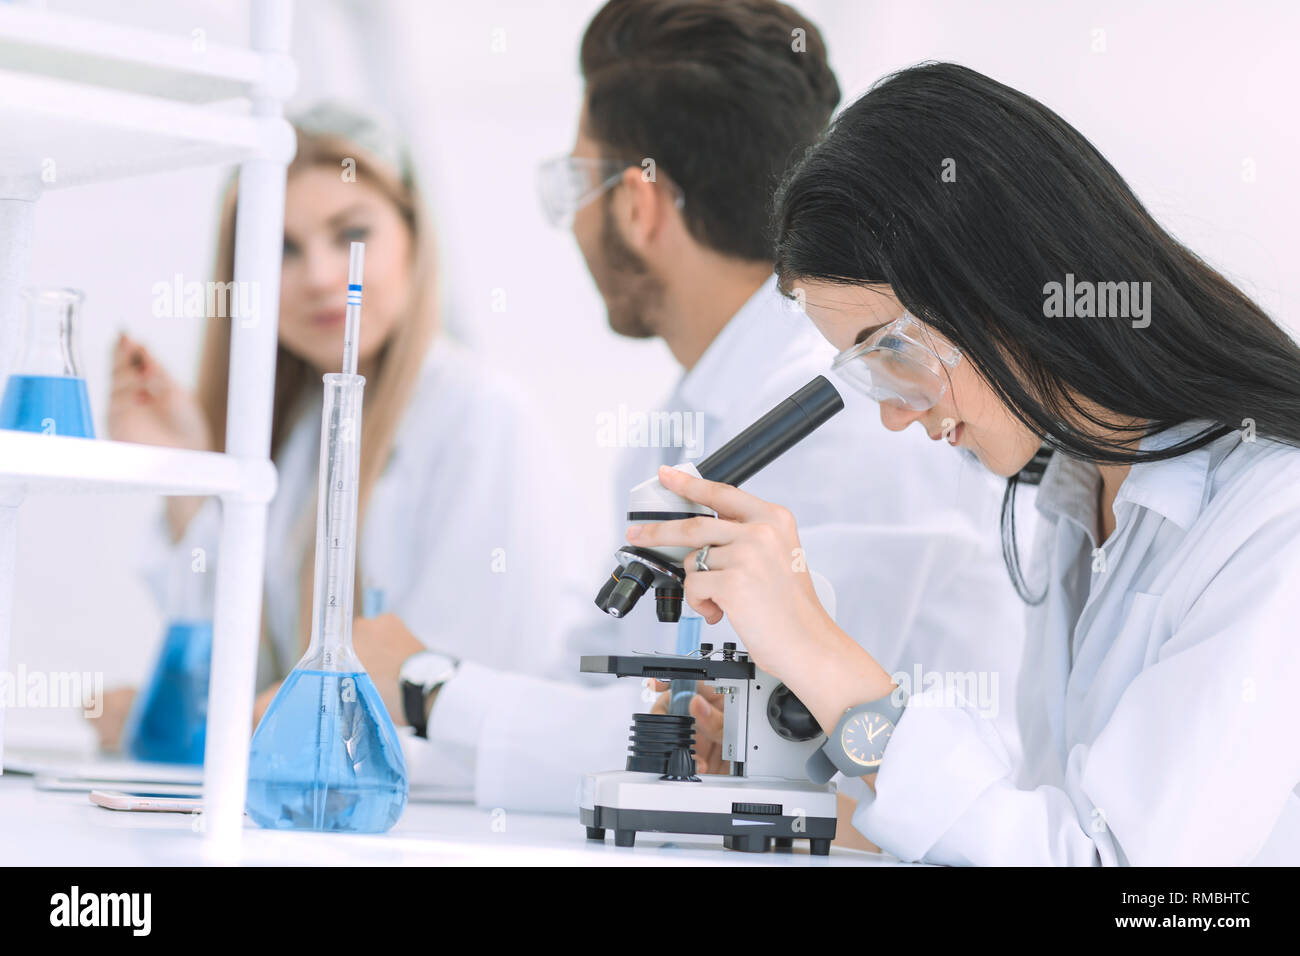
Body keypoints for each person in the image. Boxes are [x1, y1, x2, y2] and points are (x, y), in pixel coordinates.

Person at [362, 0, 1024, 827]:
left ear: (639, 206)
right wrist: (389, 725)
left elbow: (726, 743)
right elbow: (603, 690)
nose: (572, 222)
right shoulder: (694, 417)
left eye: (577, 184)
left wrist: (425, 685)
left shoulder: (845, 412)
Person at [629, 62, 1300, 864]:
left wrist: (820, 656)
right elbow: (1034, 830)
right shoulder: (1073, 499)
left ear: (1005, 284)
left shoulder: (1274, 518)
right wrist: (774, 797)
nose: (894, 412)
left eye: (891, 352)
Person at [93, 105, 582, 789]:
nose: (321, 276)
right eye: (283, 248)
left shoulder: (480, 418)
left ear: (413, 236)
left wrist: (227, 730)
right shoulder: (299, 433)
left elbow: (452, 702)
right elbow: (247, 662)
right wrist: (188, 476)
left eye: (350, 235)